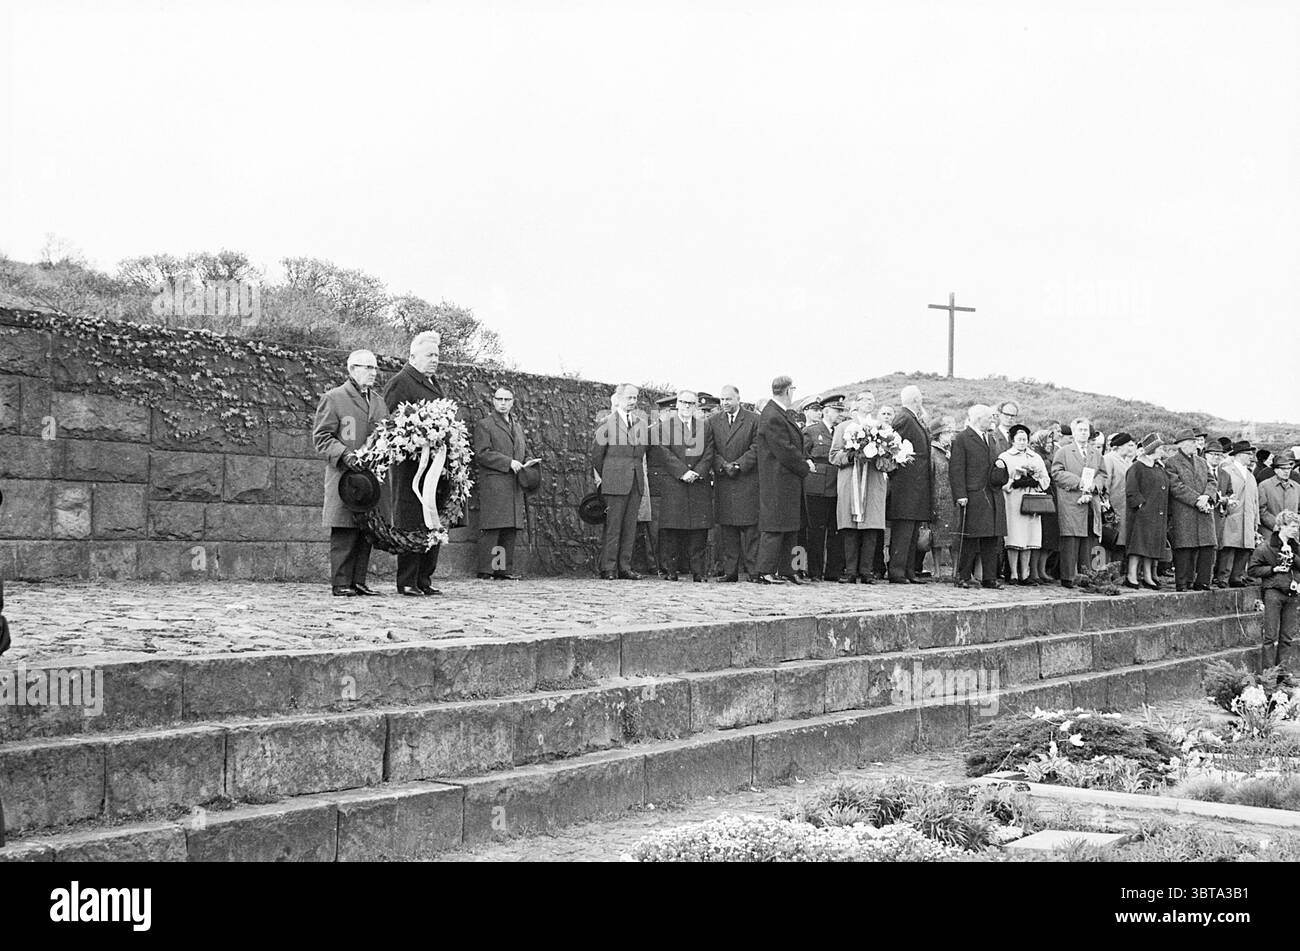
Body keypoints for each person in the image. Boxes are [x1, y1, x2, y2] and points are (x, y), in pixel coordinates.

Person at [313, 349, 387, 597]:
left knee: (366, 530)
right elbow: (322, 437)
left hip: (369, 477)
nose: (373, 373)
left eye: (375, 368)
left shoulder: (378, 401)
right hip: (344, 476)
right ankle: (341, 581)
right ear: (352, 369)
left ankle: (358, 580)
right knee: (344, 527)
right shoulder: (334, 398)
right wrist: (345, 453)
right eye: (368, 368)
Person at [382, 331, 447, 596]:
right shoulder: (401, 382)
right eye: (429, 355)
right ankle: (407, 579)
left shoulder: (434, 384)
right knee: (412, 520)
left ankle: (424, 579)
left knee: (432, 519)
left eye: (437, 356)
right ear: (412, 356)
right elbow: (389, 424)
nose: (434, 360)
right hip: (411, 468)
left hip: (435, 466)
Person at [472, 387, 536, 581]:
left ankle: (501, 569)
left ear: (512, 402)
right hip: (495, 483)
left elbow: (523, 450)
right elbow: (482, 453)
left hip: (514, 484)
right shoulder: (485, 425)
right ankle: (486, 570)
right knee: (494, 528)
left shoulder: (517, 426)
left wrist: (529, 461)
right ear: (493, 401)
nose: (503, 403)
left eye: (507, 399)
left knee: (509, 529)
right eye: (499, 399)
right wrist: (508, 462)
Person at [756, 375, 814, 584]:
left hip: (787, 480)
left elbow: (790, 447)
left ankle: (787, 570)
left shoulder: (778, 413)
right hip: (777, 481)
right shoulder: (773, 414)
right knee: (774, 527)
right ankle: (765, 571)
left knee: (790, 526)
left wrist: (801, 462)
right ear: (788, 390)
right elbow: (784, 449)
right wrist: (804, 465)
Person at [651, 390, 713, 581]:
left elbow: (709, 451)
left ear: (696, 406)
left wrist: (698, 471)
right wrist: (682, 472)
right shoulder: (665, 427)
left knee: (698, 530)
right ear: (677, 403)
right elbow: (663, 452)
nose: (687, 406)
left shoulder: (704, 427)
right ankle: (670, 570)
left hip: (697, 482)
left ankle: (698, 572)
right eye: (684, 402)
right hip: (674, 482)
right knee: (672, 529)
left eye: (691, 403)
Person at [590, 383, 649, 580]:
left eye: (635, 398)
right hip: (615, 481)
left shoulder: (641, 423)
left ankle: (625, 566)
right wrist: (609, 476)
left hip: (635, 480)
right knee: (613, 525)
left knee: (630, 526)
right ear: (619, 398)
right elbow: (597, 456)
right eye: (628, 398)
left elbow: (640, 454)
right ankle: (609, 567)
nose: (632, 402)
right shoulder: (607, 422)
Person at [950, 404, 1010, 589]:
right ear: (977, 418)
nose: (992, 420)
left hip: (992, 494)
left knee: (992, 537)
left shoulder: (990, 438)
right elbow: (956, 468)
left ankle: (989, 578)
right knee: (970, 537)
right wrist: (960, 494)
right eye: (988, 418)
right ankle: (963, 576)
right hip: (973, 494)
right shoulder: (962, 438)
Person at [829, 393, 887, 583]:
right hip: (851, 480)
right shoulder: (843, 427)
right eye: (865, 399)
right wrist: (853, 454)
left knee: (871, 527)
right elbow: (834, 456)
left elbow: (890, 460)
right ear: (857, 404)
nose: (869, 403)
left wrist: (880, 456)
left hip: (872, 481)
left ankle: (867, 571)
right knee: (850, 527)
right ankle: (850, 570)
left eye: (872, 400)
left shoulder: (883, 428)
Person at [704, 385, 760, 582]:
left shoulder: (754, 420)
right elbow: (710, 449)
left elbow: (756, 447)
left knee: (751, 530)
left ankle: (754, 571)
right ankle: (730, 571)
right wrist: (722, 465)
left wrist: (739, 465)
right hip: (724, 480)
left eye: (728, 399)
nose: (725, 403)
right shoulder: (712, 421)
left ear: (738, 399)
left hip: (747, 480)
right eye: (722, 399)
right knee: (727, 530)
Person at [1050, 416, 1106, 589]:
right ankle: (1068, 576)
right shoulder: (1064, 452)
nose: (1083, 433)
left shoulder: (1095, 453)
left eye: (1086, 430)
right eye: (1080, 430)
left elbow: (1103, 474)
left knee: (1089, 538)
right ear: (1073, 433)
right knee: (1071, 539)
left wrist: (1094, 485)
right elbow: (1057, 472)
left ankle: (1086, 576)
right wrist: (1078, 481)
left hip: (1091, 501)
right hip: (1071, 500)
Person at [885, 385, 931, 584]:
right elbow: (892, 446)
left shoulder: (911, 418)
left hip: (915, 484)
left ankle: (909, 570)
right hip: (906, 484)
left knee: (911, 531)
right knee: (904, 530)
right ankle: (897, 571)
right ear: (916, 400)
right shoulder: (905, 418)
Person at [1165, 428, 1220, 591]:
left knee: (1207, 547)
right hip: (1185, 511)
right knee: (1184, 548)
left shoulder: (1202, 462)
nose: (1194, 445)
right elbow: (1176, 487)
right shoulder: (1171, 463)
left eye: (1195, 442)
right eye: (1190, 442)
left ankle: (1203, 582)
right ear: (1180, 445)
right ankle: (1183, 583)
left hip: (1204, 511)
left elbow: (1212, 481)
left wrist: (1207, 497)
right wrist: (1197, 499)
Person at [1247, 509, 1300, 670]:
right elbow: (1253, 570)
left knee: (1287, 637)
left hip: (1292, 594)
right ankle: (1268, 675)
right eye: (1292, 526)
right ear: (1282, 526)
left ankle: (1282, 673)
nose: (1295, 530)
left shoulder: (1296, 547)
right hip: (1273, 593)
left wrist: (1297, 579)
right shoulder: (1266, 547)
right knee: (1270, 636)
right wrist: (1273, 569)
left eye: (1297, 526)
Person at [999, 423, 1050, 584]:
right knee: (1014, 536)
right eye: (1019, 439)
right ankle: (1013, 573)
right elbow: (1001, 482)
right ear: (1012, 440)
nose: (1022, 442)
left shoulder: (1035, 457)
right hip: (1014, 500)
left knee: (1029, 537)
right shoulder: (1005, 457)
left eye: (1025, 439)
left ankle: (1025, 572)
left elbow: (1046, 480)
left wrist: (1035, 480)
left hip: (1032, 501)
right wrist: (1015, 480)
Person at [803, 395, 844, 581]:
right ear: (826, 411)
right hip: (817, 487)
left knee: (835, 531)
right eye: (837, 411)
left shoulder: (843, 431)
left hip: (837, 486)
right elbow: (804, 456)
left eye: (841, 411)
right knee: (816, 531)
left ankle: (833, 572)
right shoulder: (811, 431)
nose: (839, 414)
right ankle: (815, 571)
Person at [1123, 433, 1171, 589]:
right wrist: (1141, 506)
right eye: (1161, 448)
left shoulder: (1158, 468)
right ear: (1153, 449)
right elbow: (1131, 490)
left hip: (1157, 514)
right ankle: (1131, 575)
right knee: (1138, 545)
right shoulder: (1137, 467)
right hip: (1142, 514)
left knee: (1152, 546)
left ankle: (1148, 576)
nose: (1163, 450)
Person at [1215, 440, 1260, 588]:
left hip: (1248, 517)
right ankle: (1223, 577)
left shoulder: (1251, 475)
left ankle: (1237, 577)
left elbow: (1255, 500)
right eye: (1248, 454)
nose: (1251, 457)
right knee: (1228, 547)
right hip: (1232, 515)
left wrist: (1256, 521)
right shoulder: (1227, 470)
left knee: (1245, 549)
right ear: (1239, 455)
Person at [926, 415, 957, 578]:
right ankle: (937, 569)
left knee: (954, 536)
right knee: (937, 537)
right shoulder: (933, 452)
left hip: (953, 498)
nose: (951, 435)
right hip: (938, 498)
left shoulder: (953, 450)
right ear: (939, 434)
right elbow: (930, 476)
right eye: (948, 432)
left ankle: (955, 569)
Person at [1028, 429, 1060, 583]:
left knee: (1050, 536)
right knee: (1039, 536)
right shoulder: (1034, 454)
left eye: (1051, 442)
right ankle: (1034, 570)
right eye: (1046, 441)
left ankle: (1042, 569)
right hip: (1040, 494)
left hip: (1051, 493)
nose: (1049, 445)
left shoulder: (1050, 455)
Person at [1102, 432, 1137, 562]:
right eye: (1128, 445)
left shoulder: (1127, 462)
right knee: (1112, 540)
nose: (1130, 448)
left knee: (1122, 542)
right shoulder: (1109, 459)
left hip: (1125, 508)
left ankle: (1118, 573)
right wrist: (1107, 507)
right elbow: (1105, 485)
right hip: (1113, 508)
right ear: (1119, 446)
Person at [1259, 450, 1300, 544]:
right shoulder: (1264, 486)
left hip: (1292, 533)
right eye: (1283, 469)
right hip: (1271, 531)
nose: (1286, 471)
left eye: (1289, 468)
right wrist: (1277, 525)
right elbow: (1261, 510)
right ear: (1276, 470)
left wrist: (1294, 524)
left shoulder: (1296, 487)